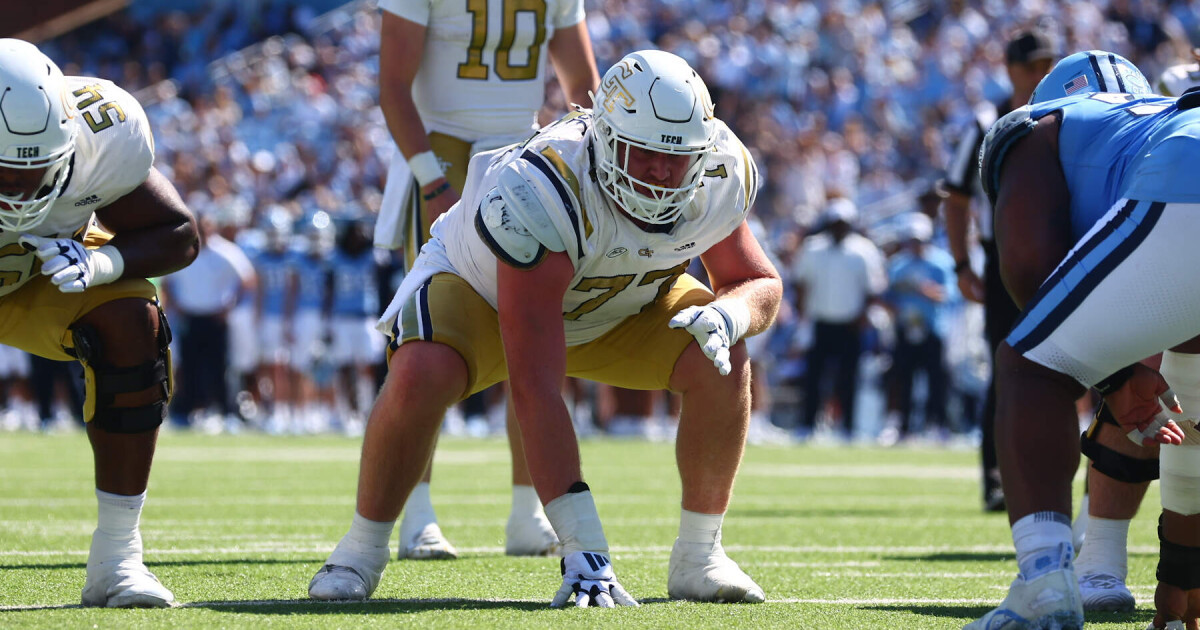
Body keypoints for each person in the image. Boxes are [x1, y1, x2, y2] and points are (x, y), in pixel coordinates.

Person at [308, 49, 777, 607]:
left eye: (677, 158)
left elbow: (758, 281)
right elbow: (534, 386)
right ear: (604, 137)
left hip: (619, 303)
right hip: (483, 292)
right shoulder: (542, 188)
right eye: (644, 153)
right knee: (421, 371)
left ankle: (701, 556)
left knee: (721, 355)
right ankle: (361, 548)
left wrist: (730, 314)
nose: (661, 172)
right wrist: (583, 547)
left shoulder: (717, 170)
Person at [965, 50, 1200, 630]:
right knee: (1189, 410)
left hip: (1189, 174)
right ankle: (1176, 594)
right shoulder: (1151, 120)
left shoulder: (1040, 127)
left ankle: (1044, 584)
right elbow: (1190, 429)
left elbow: (1027, 271)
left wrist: (1112, 375)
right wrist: (1180, 573)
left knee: (1030, 367)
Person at [373, 0, 600, 559]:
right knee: (426, 335)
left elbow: (584, 86)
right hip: (443, 151)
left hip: (523, 157)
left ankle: (529, 510)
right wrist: (429, 180)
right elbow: (393, 86)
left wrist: (567, 156)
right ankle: (416, 513)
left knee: (539, 334)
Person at [0, 39, 198, 606]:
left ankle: (117, 559)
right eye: (6, 174)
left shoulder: (102, 132)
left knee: (133, 322)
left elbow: (180, 234)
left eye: (37, 172)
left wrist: (102, 261)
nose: (21, 193)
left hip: (36, 279)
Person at [940, 29, 1056, 511]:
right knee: (1005, 370)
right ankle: (995, 475)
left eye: (1048, 64)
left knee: (1067, 369)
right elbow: (956, 197)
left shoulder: (1061, 116)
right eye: (1032, 66)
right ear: (1009, 68)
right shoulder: (987, 122)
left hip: (1058, 257)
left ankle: (1061, 477)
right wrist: (963, 262)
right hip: (1004, 260)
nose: (1041, 74)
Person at [791, 198, 886, 441]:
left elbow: (872, 289)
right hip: (820, 322)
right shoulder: (813, 248)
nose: (839, 228)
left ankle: (848, 427)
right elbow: (801, 284)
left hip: (850, 324)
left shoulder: (864, 250)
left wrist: (864, 317)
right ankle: (807, 425)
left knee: (848, 377)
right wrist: (802, 318)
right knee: (814, 377)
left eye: (843, 223)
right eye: (835, 223)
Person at [161, 210, 254, 432]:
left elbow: (248, 280)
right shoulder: (182, 251)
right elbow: (167, 282)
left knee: (219, 367)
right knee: (189, 367)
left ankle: (224, 412)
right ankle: (186, 413)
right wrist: (176, 306)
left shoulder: (226, 252)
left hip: (215, 318)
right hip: (190, 317)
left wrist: (229, 307)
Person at [880, 212, 957, 444]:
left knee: (937, 380)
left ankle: (938, 425)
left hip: (933, 329)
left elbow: (949, 295)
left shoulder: (941, 262)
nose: (914, 245)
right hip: (905, 328)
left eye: (919, 240)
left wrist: (924, 290)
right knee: (903, 379)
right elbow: (888, 297)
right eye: (911, 240)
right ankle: (903, 427)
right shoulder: (898, 264)